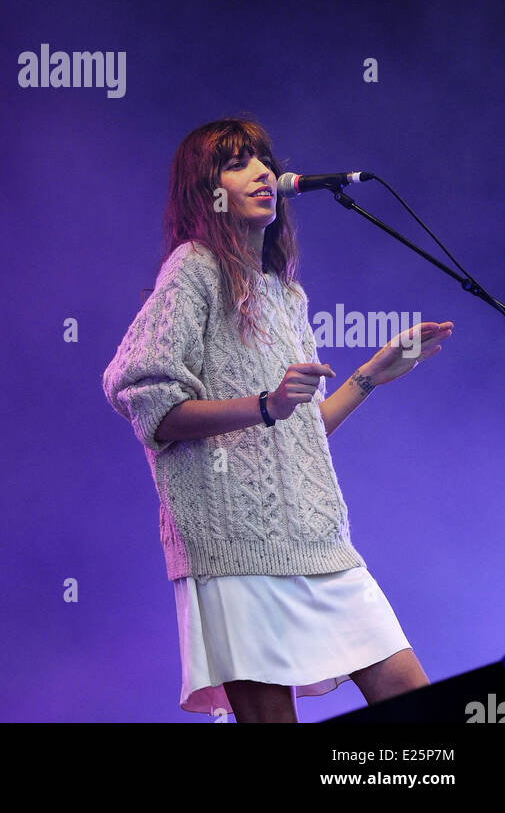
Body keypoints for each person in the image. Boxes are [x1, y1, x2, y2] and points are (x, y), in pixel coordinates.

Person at [101, 116, 453, 723]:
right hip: (234, 546)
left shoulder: (286, 296)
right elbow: (147, 400)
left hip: (319, 544)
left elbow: (300, 430)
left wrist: (371, 375)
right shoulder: (193, 269)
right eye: (237, 163)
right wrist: (265, 404)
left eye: (262, 158)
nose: (263, 172)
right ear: (206, 191)